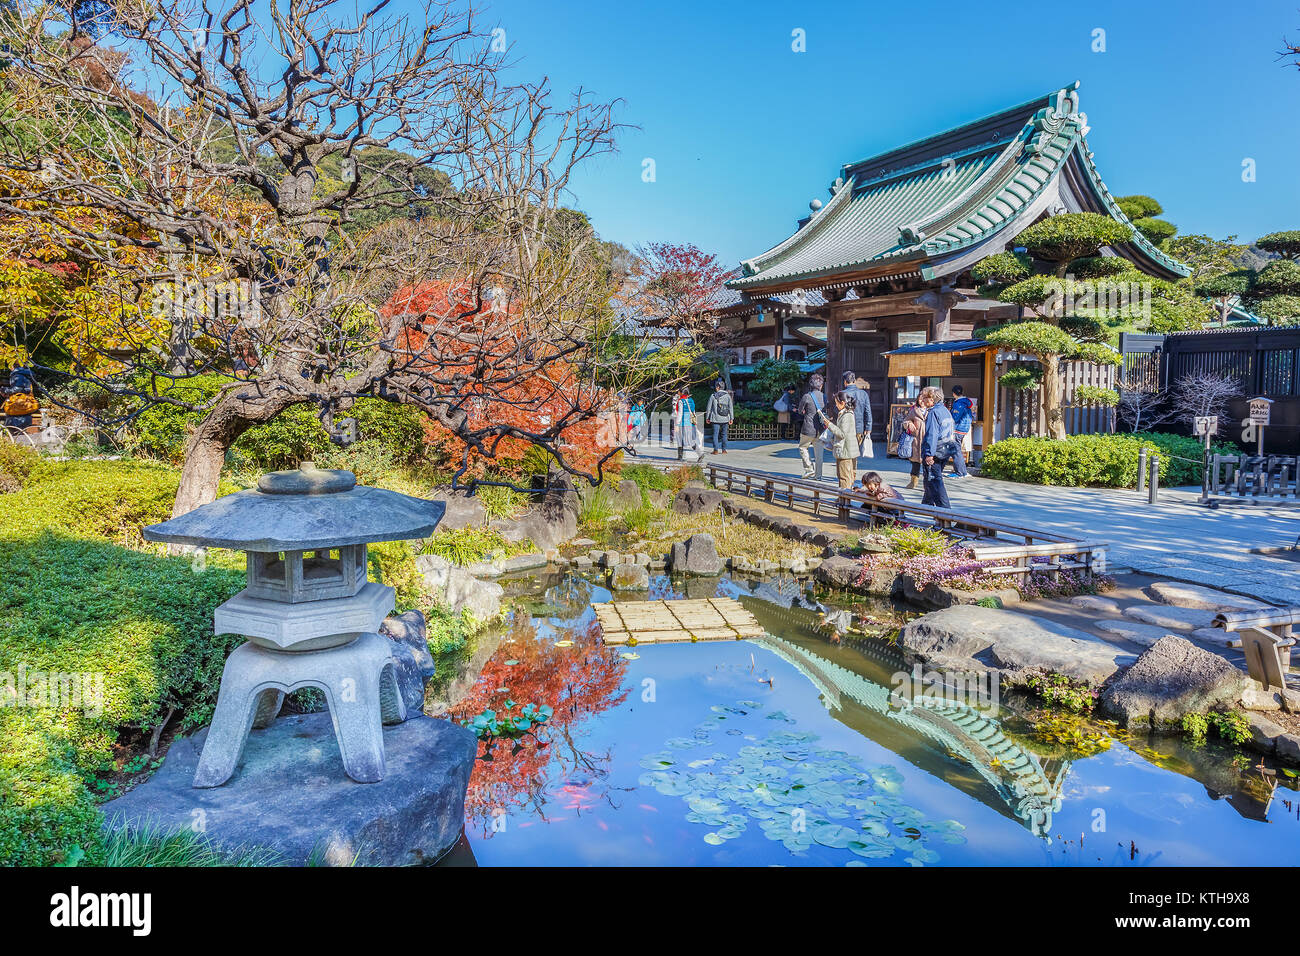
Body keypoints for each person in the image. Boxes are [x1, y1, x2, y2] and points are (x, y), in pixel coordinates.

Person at [919, 385, 958, 509]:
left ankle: (945, 509)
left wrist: (929, 453)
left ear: (931, 398)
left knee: (935, 480)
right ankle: (926, 503)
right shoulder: (944, 410)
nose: (923, 400)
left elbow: (932, 434)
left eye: (925, 397)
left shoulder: (933, 413)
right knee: (930, 478)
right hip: (946, 449)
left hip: (936, 450)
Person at [817, 390, 858, 488]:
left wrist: (830, 425)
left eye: (836, 403)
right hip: (847, 450)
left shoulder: (847, 415)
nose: (836, 405)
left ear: (842, 403)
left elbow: (842, 434)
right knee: (845, 475)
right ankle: (843, 498)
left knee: (844, 476)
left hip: (845, 450)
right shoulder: (846, 413)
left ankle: (844, 499)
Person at [841, 371, 873, 469]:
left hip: (846, 427)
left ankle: (848, 474)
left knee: (846, 452)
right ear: (854, 381)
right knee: (855, 452)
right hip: (859, 427)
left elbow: (837, 410)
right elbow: (868, 411)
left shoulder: (842, 394)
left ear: (845, 382)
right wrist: (868, 426)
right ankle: (853, 473)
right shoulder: (863, 394)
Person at [797, 374, 825, 480]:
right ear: (821, 385)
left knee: (803, 447)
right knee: (819, 453)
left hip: (808, 428)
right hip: (820, 429)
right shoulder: (824, 396)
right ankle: (818, 476)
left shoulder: (806, 396)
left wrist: (805, 411)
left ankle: (809, 469)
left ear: (810, 385)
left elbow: (800, 411)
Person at [948, 384, 974, 478]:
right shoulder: (966, 402)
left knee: (956, 451)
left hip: (958, 429)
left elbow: (955, 417)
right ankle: (963, 471)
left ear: (954, 393)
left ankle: (959, 472)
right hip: (965, 428)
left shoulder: (959, 403)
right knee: (958, 450)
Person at [902, 397, 926, 490]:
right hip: (916, 441)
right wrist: (909, 424)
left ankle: (926, 484)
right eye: (920, 399)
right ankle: (913, 481)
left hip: (927, 440)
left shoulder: (931, 411)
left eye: (924, 399)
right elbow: (905, 421)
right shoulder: (914, 410)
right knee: (915, 462)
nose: (922, 401)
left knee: (927, 464)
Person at [705, 379, 734, 455]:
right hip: (725, 418)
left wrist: (707, 418)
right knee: (724, 434)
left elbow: (708, 408)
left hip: (715, 418)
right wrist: (731, 418)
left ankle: (716, 450)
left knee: (715, 434)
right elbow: (731, 407)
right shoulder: (728, 396)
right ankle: (724, 450)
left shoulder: (713, 396)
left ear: (717, 387)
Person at [676, 388, 697, 461]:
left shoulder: (681, 401)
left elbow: (680, 413)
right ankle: (680, 456)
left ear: (682, 393)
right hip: (690, 423)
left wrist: (677, 423)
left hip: (683, 423)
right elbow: (693, 411)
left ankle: (700, 453)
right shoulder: (692, 401)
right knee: (687, 439)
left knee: (683, 440)